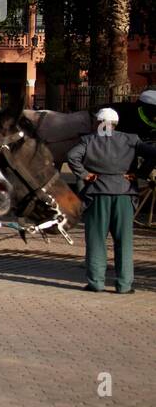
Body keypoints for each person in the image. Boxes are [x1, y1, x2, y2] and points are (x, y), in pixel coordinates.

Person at [67, 106, 156, 294]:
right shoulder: (131, 139)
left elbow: (72, 156)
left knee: (96, 240)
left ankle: (96, 283)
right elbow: (153, 153)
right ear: (115, 124)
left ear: (98, 123)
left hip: (96, 193)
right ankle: (124, 285)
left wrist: (85, 174)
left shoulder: (88, 140)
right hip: (124, 193)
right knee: (124, 241)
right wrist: (139, 174)